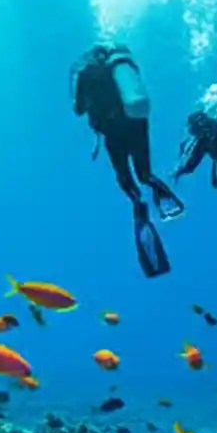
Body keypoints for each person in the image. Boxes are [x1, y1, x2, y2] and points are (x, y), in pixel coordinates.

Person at [71, 43, 184, 278]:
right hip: (137, 126)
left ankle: (138, 203)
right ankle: (164, 195)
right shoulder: (123, 68)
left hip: (112, 132)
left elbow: (78, 109)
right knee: (144, 173)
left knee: (125, 178)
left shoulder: (86, 73)